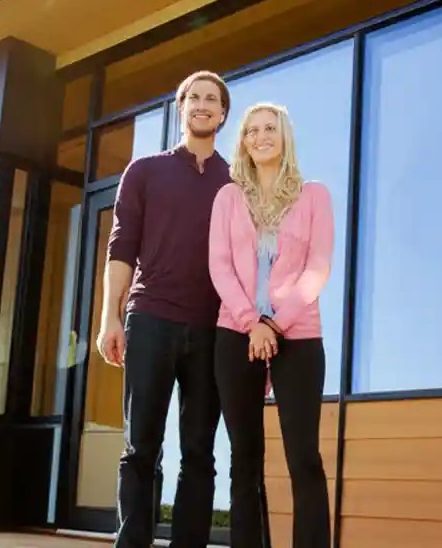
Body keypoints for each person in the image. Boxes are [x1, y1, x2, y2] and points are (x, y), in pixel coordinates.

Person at [96, 70, 233, 548]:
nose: (202, 105)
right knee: (141, 448)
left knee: (199, 453)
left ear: (222, 114)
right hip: (150, 318)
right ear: (182, 108)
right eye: (194, 97)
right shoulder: (144, 171)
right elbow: (121, 248)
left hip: (212, 329)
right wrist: (110, 317)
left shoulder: (235, 183)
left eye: (212, 99)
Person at [208, 102, 333, 548]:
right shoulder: (227, 198)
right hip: (235, 333)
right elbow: (220, 266)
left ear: (285, 137)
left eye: (270, 128)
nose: (261, 136)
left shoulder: (314, 195)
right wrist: (251, 323)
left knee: (304, 457)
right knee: (244, 459)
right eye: (252, 130)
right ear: (243, 142)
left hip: (298, 334)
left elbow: (317, 268)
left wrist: (275, 325)